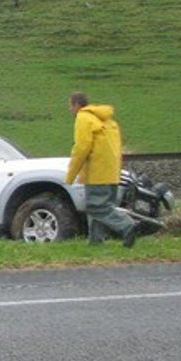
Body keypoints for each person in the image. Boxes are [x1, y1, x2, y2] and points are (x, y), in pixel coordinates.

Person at [65, 92, 136, 247]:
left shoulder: (83, 118)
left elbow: (82, 148)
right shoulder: (107, 120)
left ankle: (127, 225)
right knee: (102, 207)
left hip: (97, 173)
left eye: (70, 105)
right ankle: (96, 242)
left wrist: (70, 175)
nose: (69, 109)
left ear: (77, 105)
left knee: (97, 207)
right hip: (112, 172)